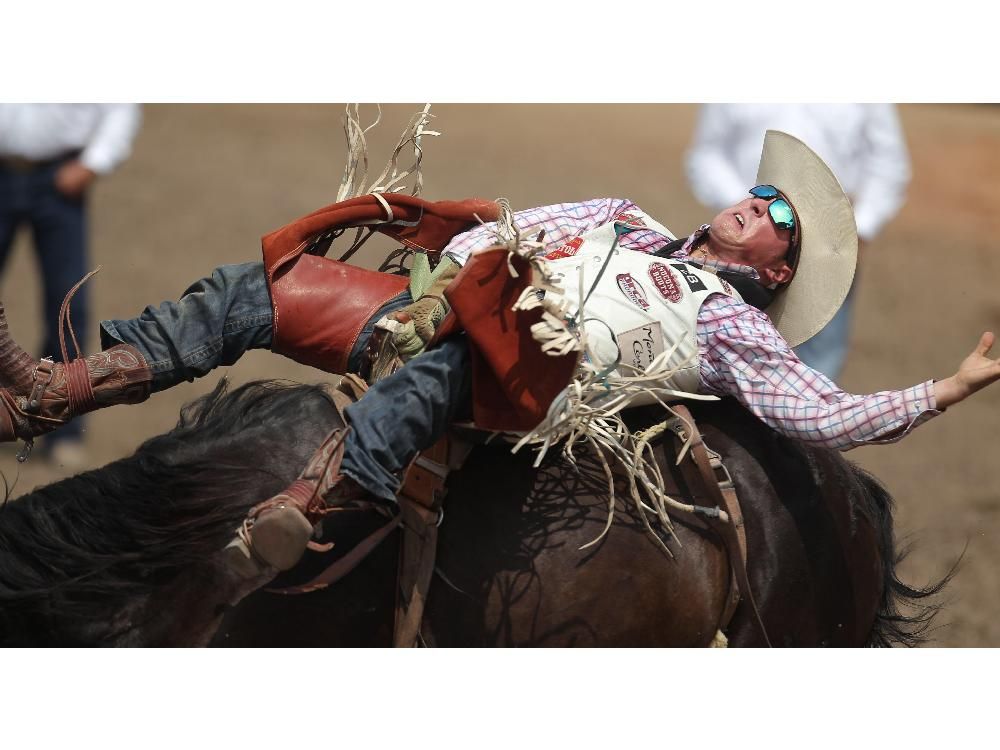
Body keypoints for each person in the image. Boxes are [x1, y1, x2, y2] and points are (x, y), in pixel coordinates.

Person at [0, 131, 997, 576]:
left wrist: (945, 388)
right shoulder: (620, 216)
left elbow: (817, 417)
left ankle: (317, 504)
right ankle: (60, 388)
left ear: (776, 270)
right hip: (461, 309)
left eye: (778, 217)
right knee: (260, 290)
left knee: (456, 365)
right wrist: (449, 285)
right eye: (762, 192)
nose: (759, 202)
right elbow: (507, 231)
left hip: (535, 374)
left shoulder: (729, 325)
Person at [685, 104, 911, 380]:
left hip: (832, 248)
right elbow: (708, 153)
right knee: (721, 364)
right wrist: (749, 213)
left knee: (818, 370)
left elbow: (888, 163)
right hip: (743, 257)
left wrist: (861, 231)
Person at [0, 104, 143, 468]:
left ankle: (59, 429)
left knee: (67, 304)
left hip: (59, 179)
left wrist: (94, 162)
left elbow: (121, 104)